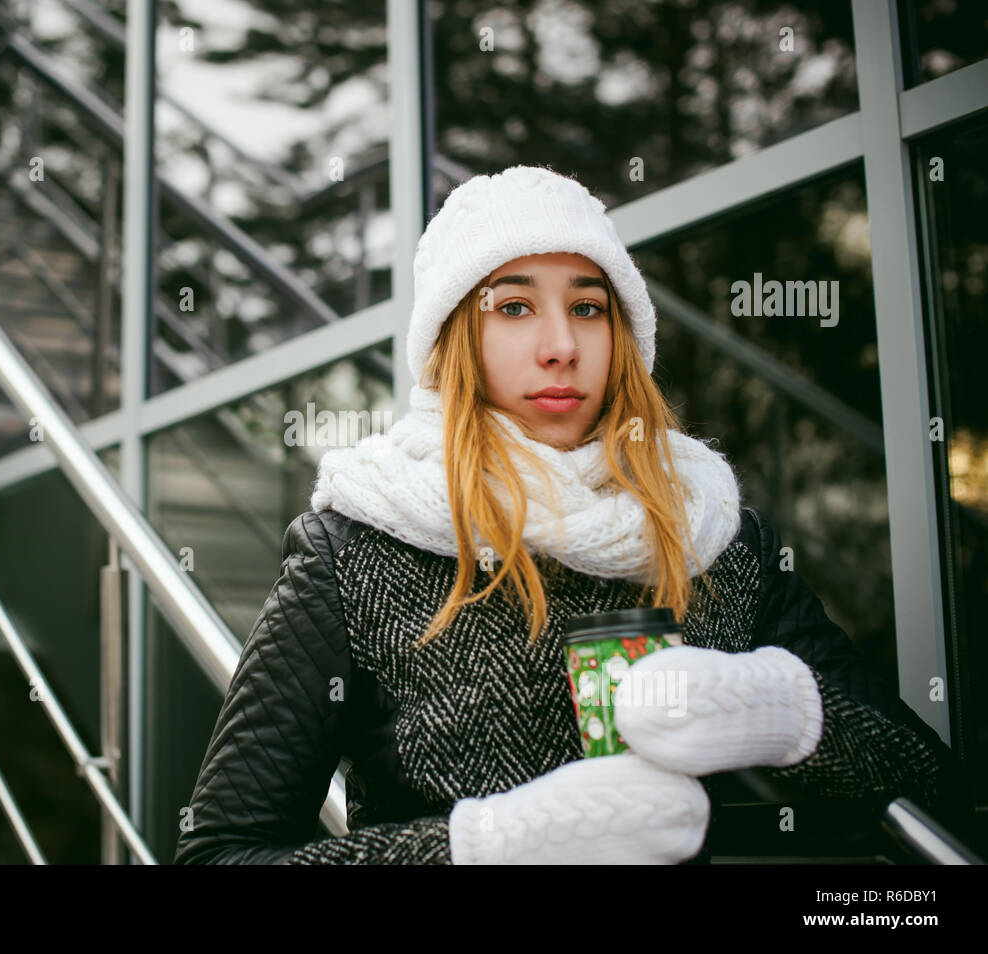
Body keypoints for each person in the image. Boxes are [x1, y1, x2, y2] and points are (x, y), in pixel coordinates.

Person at [172, 165, 964, 865]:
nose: (560, 346)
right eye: (513, 308)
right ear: (456, 341)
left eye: (588, 308)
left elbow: (929, 782)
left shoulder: (715, 534)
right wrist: (480, 847)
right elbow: (220, 852)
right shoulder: (354, 550)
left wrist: (785, 715)